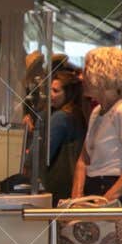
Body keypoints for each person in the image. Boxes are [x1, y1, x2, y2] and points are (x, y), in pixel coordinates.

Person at [71, 47, 122, 244]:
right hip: (95, 192)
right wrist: (76, 199)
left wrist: (106, 201)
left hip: (115, 193)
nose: (81, 77)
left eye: (85, 71)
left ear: (100, 75)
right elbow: (83, 160)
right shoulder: (97, 112)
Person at [42, 67, 88, 202]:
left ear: (69, 93)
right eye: (50, 89)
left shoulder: (60, 117)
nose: (51, 94)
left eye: (56, 91)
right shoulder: (79, 114)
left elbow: (44, 155)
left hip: (57, 187)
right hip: (72, 185)